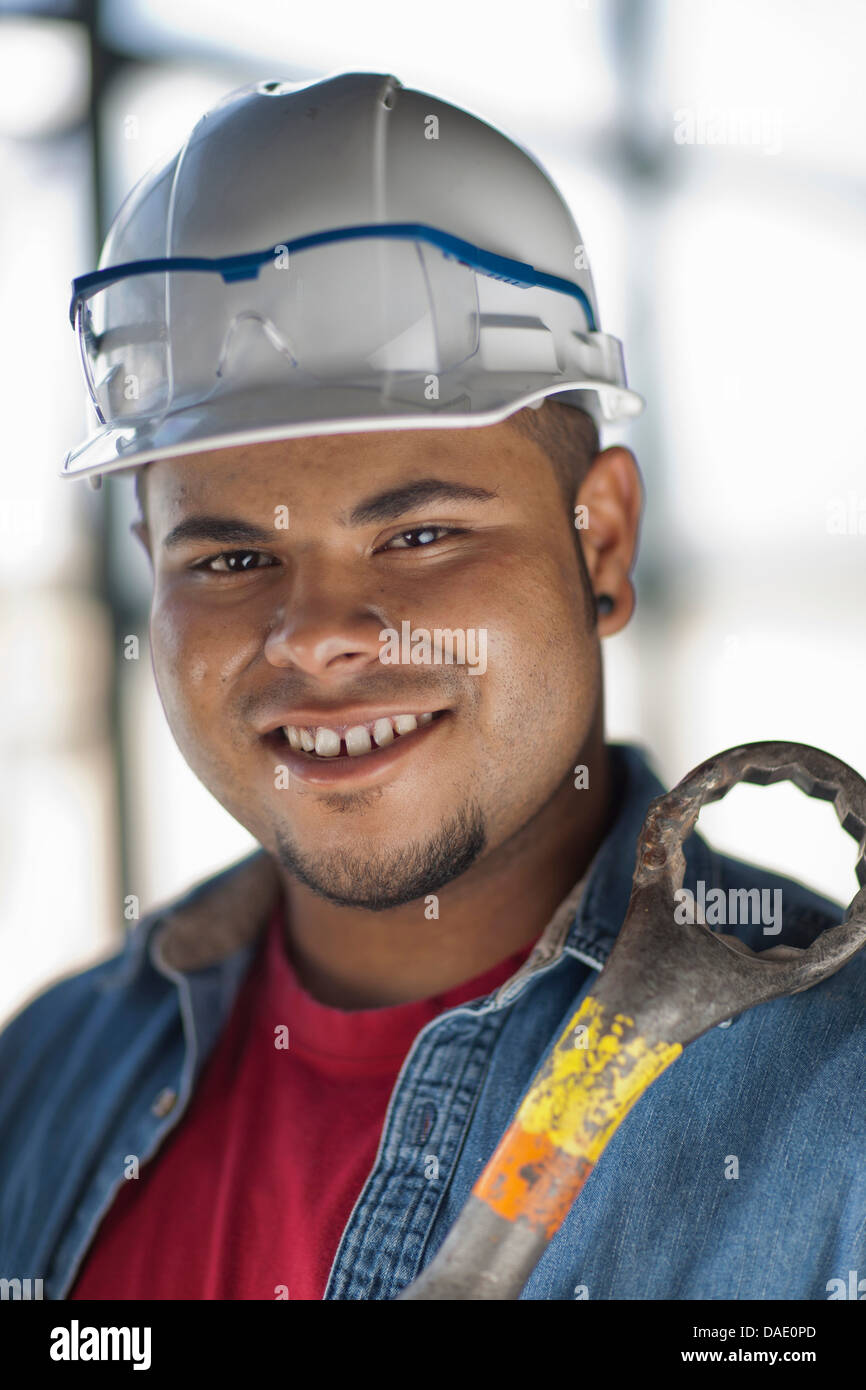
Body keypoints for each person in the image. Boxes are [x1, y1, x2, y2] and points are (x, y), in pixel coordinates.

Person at [0, 72, 862, 1303]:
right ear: (152, 573)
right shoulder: (44, 1076)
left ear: (600, 543)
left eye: (419, 536)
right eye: (232, 556)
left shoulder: (839, 1116)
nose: (319, 639)